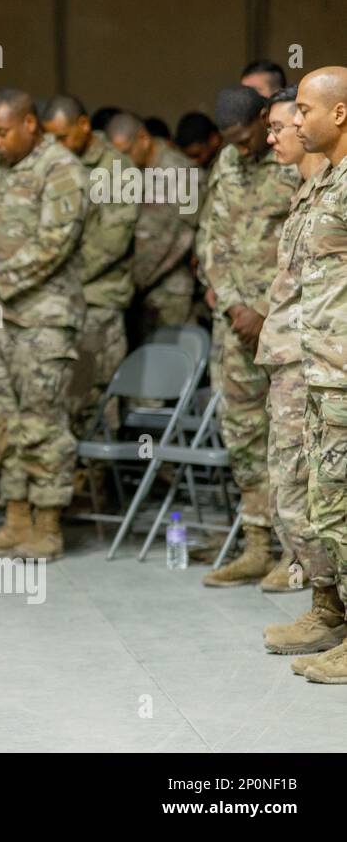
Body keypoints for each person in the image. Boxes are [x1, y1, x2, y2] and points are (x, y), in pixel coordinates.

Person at [0, 88, 87, 561]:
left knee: (41, 424)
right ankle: (14, 520)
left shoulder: (62, 171)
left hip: (42, 320)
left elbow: (54, 242)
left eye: (3, 131)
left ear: (30, 124)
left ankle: (48, 527)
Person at [196, 86, 301, 588]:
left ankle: (293, 553)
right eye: (230, 141)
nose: (240, 149)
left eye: (245, 138)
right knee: (242, 436)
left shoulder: (295, 160)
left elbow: (305, 245)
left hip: (281, 323)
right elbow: (211, 238)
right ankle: (256, 544)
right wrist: (233, 301)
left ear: (265, 118)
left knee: (287, 439)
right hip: (234, 324)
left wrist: (261, 308)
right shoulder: (227, 164)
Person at [257, 87, 340, 654]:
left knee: (332, 499)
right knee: (304, 498)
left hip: (332, 367)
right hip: (302, 362)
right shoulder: (317, 190)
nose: (287, 127)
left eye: (299, 114)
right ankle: (328, 608)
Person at [289, 66, 347, 682]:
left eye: (305, 109)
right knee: (329, 506)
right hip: (323, 372)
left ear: (341, 113)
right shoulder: (328, 181)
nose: (296, 118)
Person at [39, 95, 138, 439]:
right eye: (50, 139)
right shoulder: (51, 167)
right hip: (56, 304)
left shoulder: (117, 169)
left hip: (97, 301)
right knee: (55, 396)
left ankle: (96, 484)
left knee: (93, 398)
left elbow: (113, 241)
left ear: (83, 125)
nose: (58, 146)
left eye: (63, 137)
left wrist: (56, 275)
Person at [106, 111, 199, 342]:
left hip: (169, 292)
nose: (122, 160)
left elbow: (171, 241)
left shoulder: (178, 172)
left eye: (126, 152)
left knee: (171, 364)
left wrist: (127, 283)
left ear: (143, 138)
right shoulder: (132, 172)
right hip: (139, 292)